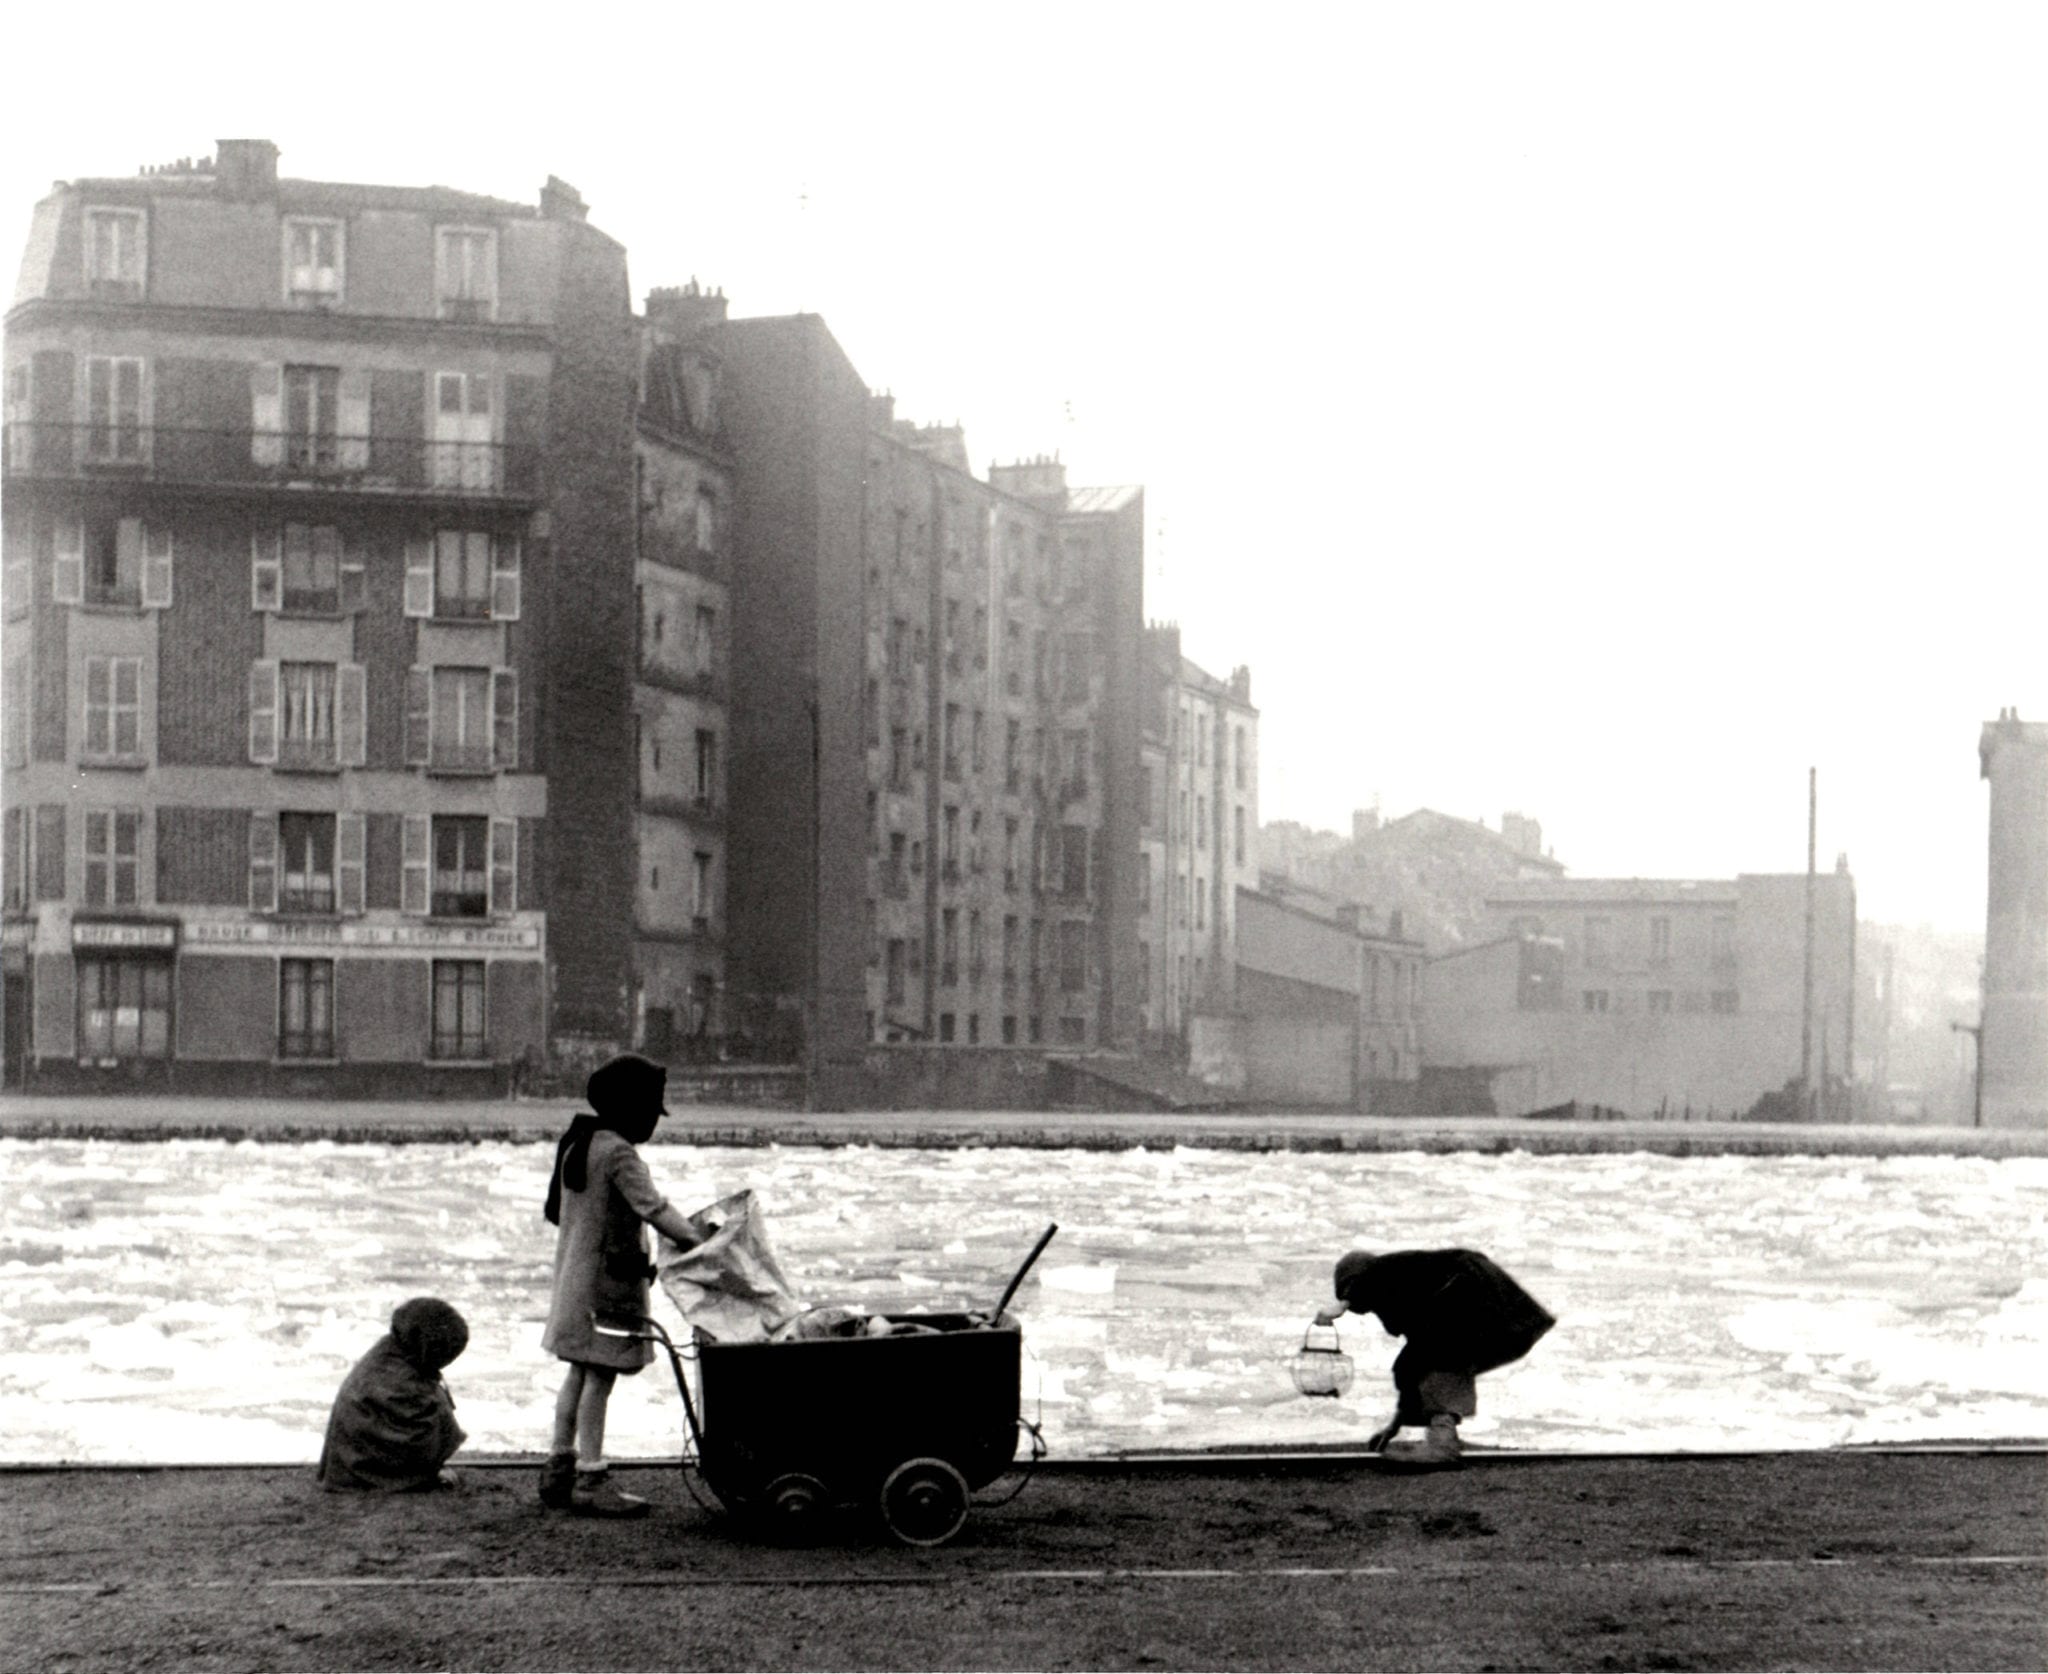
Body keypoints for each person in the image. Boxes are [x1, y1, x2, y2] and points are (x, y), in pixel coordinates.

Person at [539, 1052, 710, 1518]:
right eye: (652, 1112)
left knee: (576, 1372)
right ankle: (592, 1478)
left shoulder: (578, 1143)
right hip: (606, 1288)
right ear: (635, 1109)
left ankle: (559, 1467)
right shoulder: (618, 1153)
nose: (654, 1121)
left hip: (575, 1281)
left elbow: (559, 1212)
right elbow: (652, 1208)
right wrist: (697, 1239)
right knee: (600, 1376)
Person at [1314, 1247, 1554, 1468]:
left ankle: (1443, 1444)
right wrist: (1393, 1429)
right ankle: (1442, 1435)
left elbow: (1365, 1283)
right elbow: (1410, 1367)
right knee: (1423, 1360)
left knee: (1442, 1356)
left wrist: (1340, 1306)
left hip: (1473, 1291)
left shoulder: (1382, 1272)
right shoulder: (1409, 1288)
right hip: (1499, 1305)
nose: (1368, 1311)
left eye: (1363, 1306)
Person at [317, 1297, 470, 1492]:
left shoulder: (389, 1350)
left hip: (349, 1462)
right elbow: (425, 1431)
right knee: (436, 1409)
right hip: (362, 1468)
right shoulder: (403, 1382)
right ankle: (408, 1478)